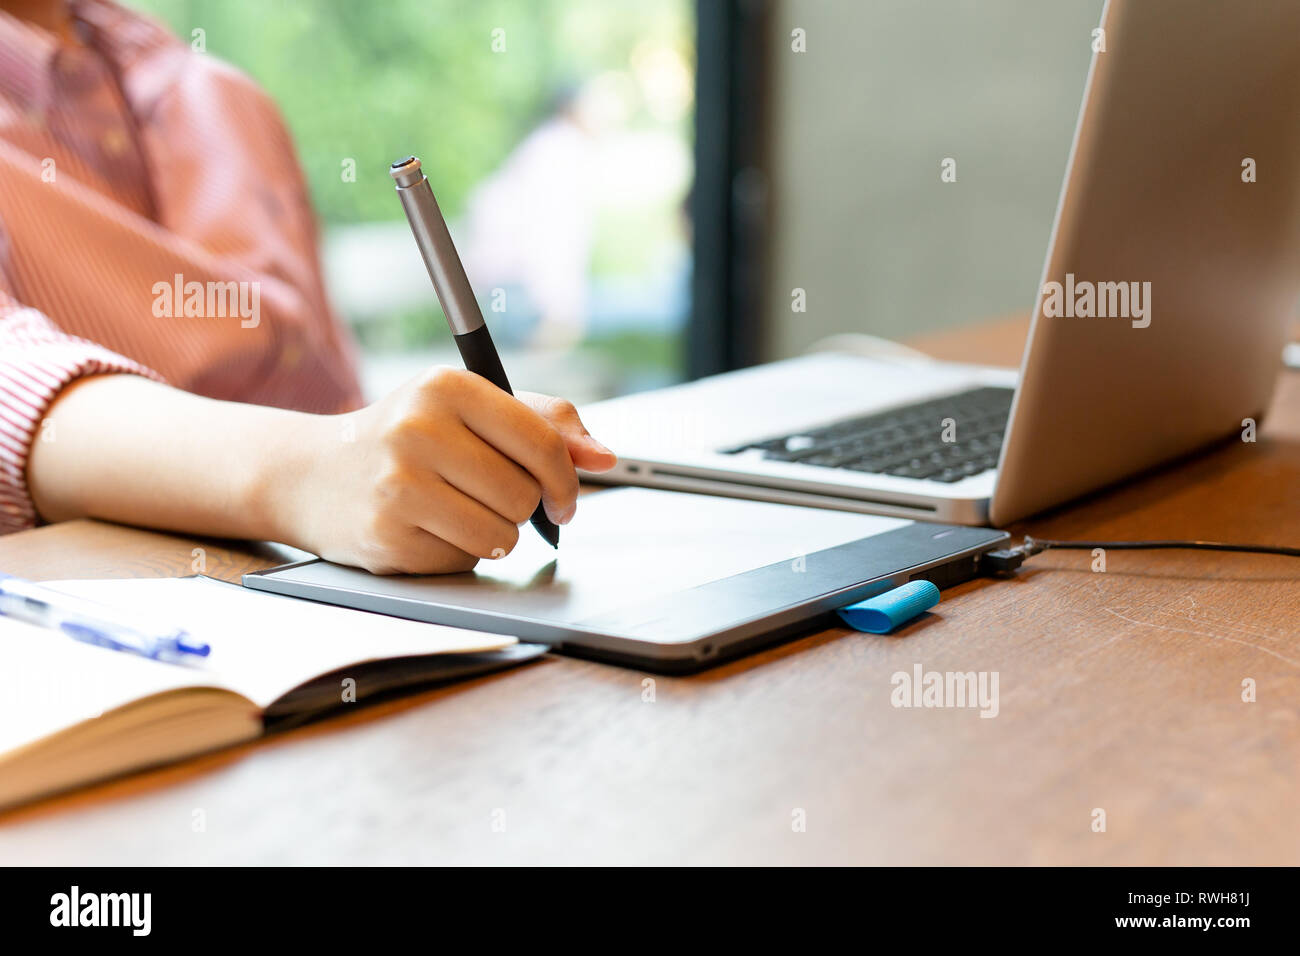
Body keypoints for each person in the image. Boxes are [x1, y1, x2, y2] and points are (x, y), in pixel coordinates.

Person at [0, 0, 617, 574]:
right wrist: (314, 470)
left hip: (374, 598)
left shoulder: (223, 97)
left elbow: (336, 398)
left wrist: (425, 453)